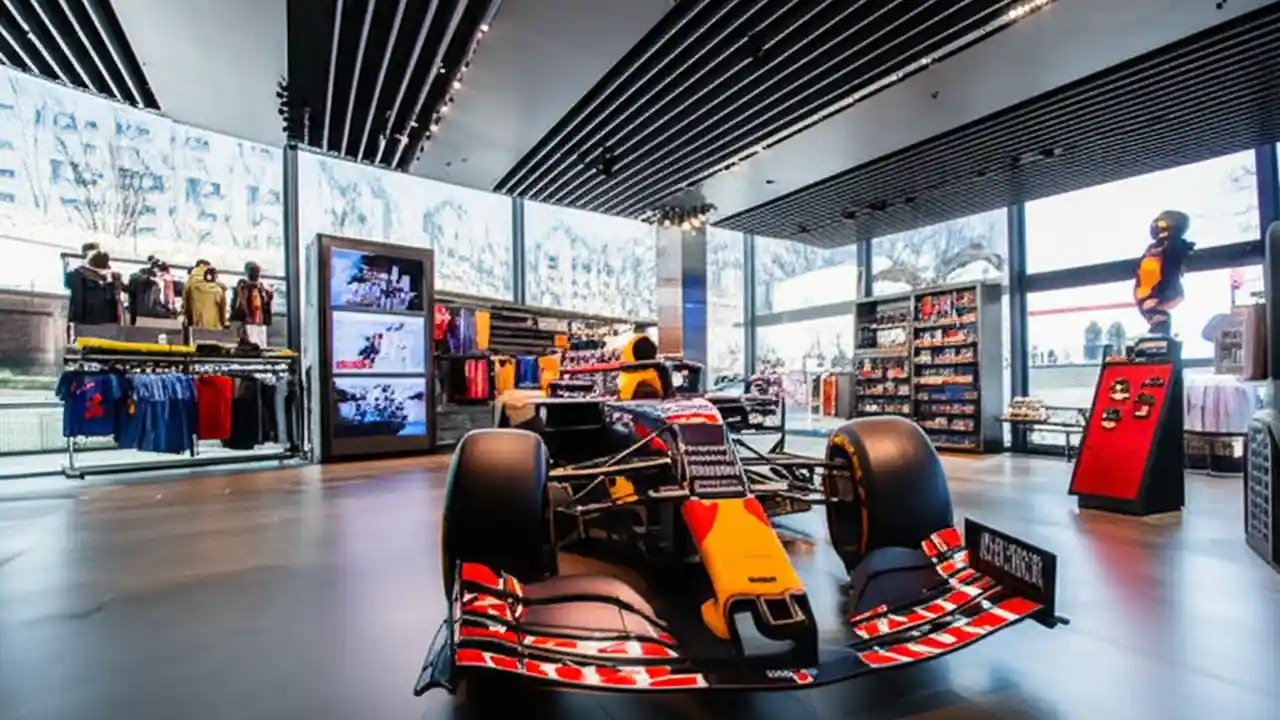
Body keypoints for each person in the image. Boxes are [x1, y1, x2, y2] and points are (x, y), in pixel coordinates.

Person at [1134, 210, 1195, 336]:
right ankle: (1158, 334)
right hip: (1151, 293)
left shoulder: (1172, 247)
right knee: (1158, 319)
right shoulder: (1160, 247)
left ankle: (1159, 334)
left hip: (1155, 293)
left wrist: (1158, 295)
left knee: (1159, 320)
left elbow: (1169, 273)